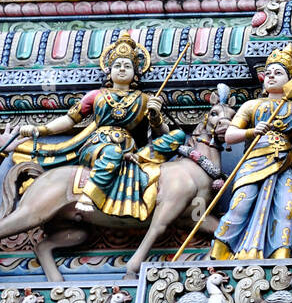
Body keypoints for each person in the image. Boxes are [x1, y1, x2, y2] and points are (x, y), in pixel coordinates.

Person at [9, 32, 184, 219]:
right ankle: (89, 195)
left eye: (127, 66)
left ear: (135, 73)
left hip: (130, 148)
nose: (122, 69)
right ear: (109, 71)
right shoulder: (96, 95)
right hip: (97, 146)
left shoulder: (144, 100)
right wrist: (40, 130)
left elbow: (162, 134)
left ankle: (138, 158)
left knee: (179, 136)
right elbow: (69, 120)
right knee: (112, 153)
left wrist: (156, 116)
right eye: (117, 65)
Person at [211, 48, 292, 260]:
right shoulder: (252, 105)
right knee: (241, 205)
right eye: (268, 73)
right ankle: (221, 250)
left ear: (289, 80)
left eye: (278, 73)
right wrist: (252, 131)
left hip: (284, 165)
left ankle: (280, 252)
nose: (271, 76)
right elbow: (230, 135)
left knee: (285, 209)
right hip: (254, 162)